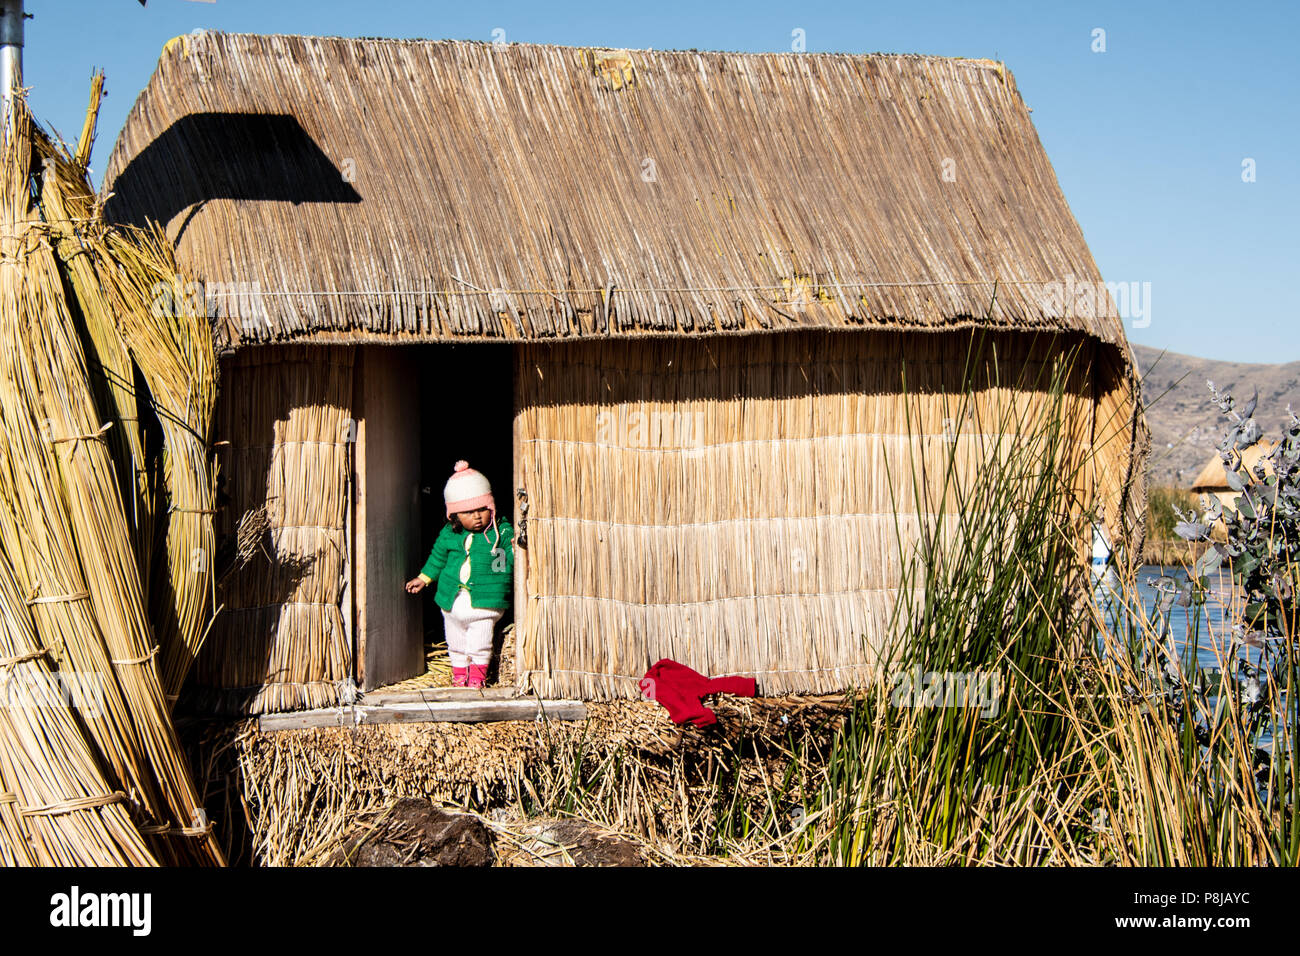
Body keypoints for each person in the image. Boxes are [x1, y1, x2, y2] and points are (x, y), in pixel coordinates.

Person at [405, 460, 515, 688]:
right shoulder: (449, 534)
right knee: (455, 640)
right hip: (451, 601)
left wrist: (515, 549)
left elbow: (510, 559)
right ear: (454, 515)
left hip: (485, 601)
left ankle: (477, 677)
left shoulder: (501, 532)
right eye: (468, 512)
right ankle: (459, 674)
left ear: (491, 507)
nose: (476, 517)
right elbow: (437, 558)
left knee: (479, 640)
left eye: (482, 510)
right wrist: (424, 578)